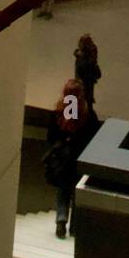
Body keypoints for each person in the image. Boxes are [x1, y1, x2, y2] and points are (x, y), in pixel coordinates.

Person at [43, 76, 100, 238]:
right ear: (81, 95)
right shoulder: (88, 115)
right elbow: (92, 138)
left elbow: (51, 137)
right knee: (77, 191)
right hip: (79, 159)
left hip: (63, 159)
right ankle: (75, 226)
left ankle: (61, 221)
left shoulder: (58, 113)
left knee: (63, 191)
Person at [73, 35, 102, 111]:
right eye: (91, 43)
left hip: (82, 89)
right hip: (85, 91)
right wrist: (94, 59)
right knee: (87, 110)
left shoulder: (80, 57)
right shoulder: (86, 61)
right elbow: (97, 74)